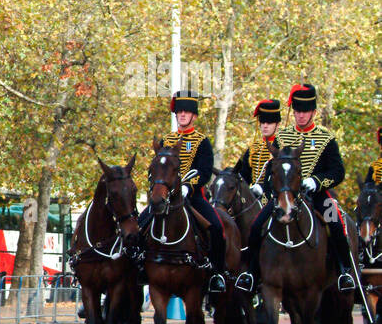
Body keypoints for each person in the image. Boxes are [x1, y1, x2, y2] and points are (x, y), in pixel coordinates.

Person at [237, 83, 353, 293]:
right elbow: (274, 169)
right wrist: (263, 188)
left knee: (335, 223)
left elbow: (338, 172)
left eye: (305, 111)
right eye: (298, 111)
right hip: (285, 194)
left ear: (314, 112)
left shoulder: (326, 138)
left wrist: (316, 181)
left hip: (316, 194)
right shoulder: (283, 137)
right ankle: (252, 274)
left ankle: (345, 272)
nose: (300, 115)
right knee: (255, 227)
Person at [138, 90, 228, 293]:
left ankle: (217, 275)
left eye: (187, 112)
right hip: (165, 196)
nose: (182, 115)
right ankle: (141, 266)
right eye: (179, 112)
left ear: (194, 116)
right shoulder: (166, 140)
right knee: (139, 225)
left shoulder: (201, 141)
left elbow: (205, 170)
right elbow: (156, 169)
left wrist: (189, 186)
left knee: (216, 229)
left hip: (192, 195)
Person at [233, 98, 282, 187]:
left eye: (269, 123)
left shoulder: (282, 147)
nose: (265, 126)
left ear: (277, 125)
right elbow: (242, 177)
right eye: (262, 122)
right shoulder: (252, 149)